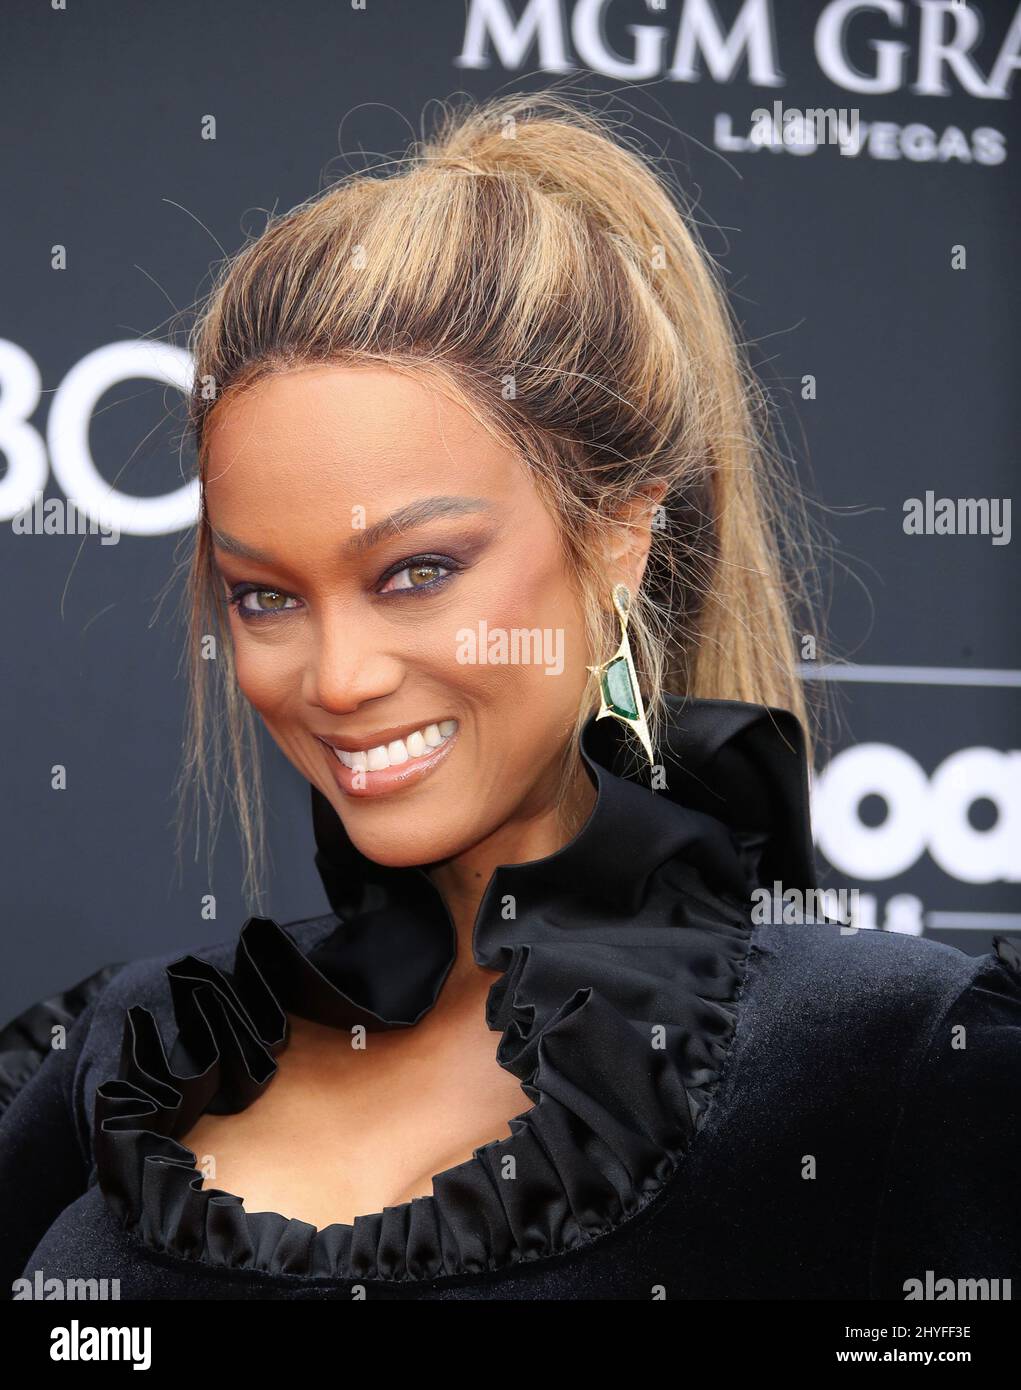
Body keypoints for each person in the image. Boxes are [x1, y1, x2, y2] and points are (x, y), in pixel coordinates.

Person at [2, 93, 1018, 1301]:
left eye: (417, 573)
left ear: (619, 542)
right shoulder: (129, 1054)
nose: (337, 678)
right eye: (264, 596)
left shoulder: (891, 1068)